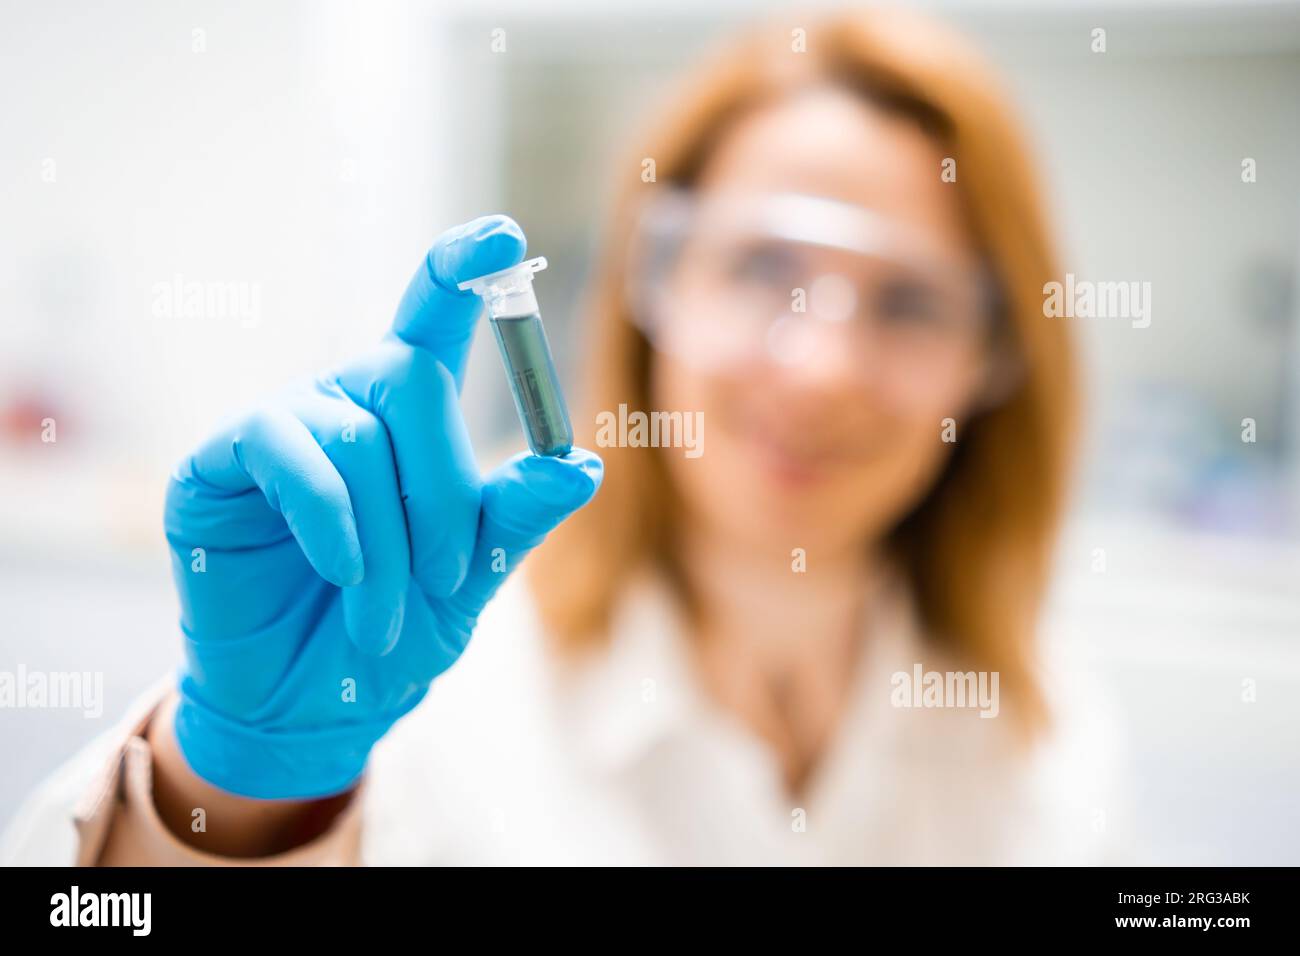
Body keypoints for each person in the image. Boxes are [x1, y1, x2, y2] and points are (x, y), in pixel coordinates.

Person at [2, 8, 1121, 866]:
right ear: (651, 285)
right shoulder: (423, 681)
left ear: (997, 364)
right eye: (765, 266)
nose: (820, 365)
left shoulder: (1038, 735)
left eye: (911, 301)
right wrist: (227, 800)